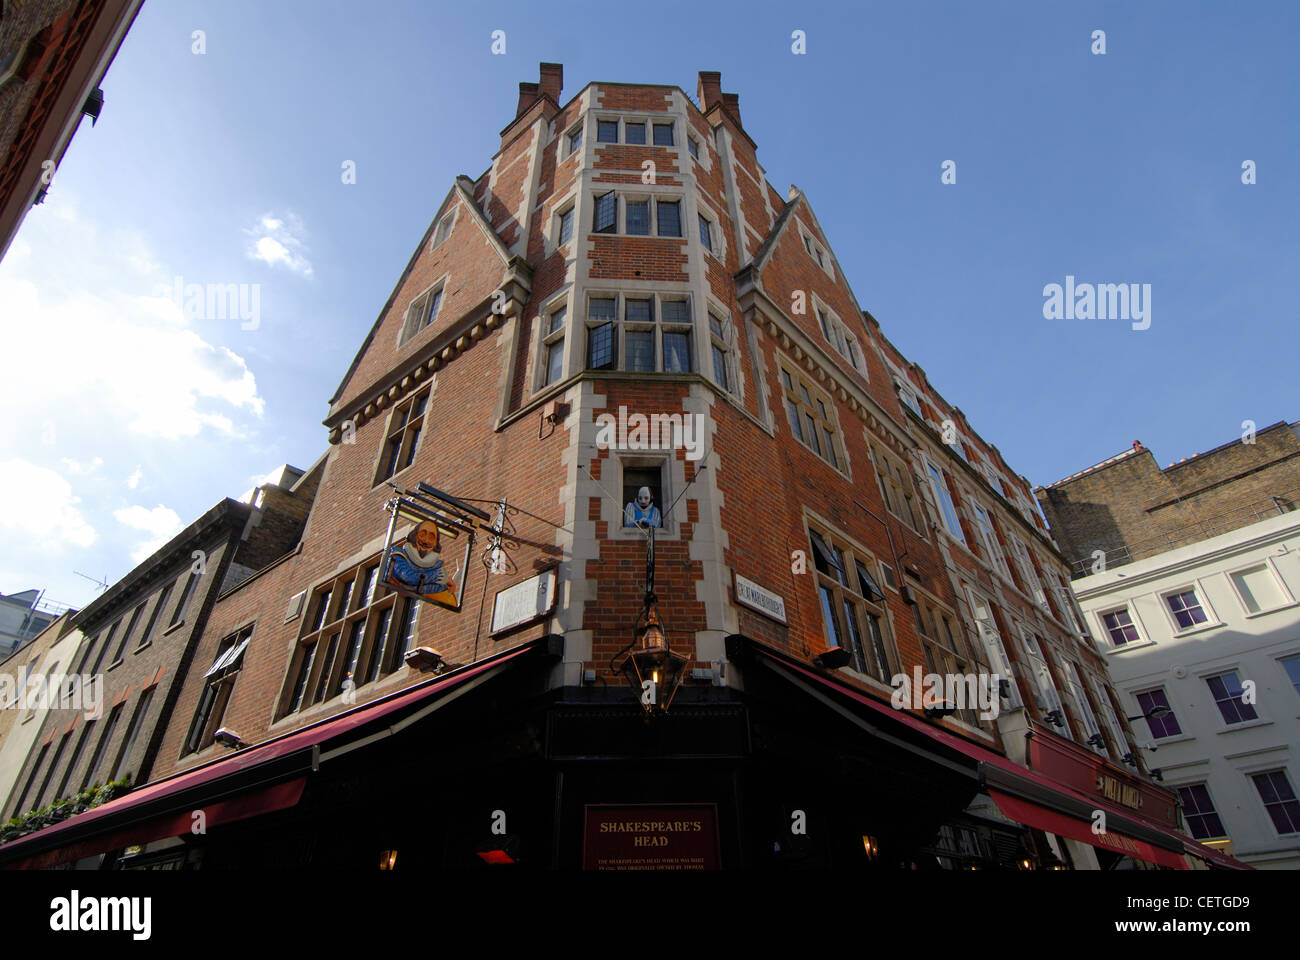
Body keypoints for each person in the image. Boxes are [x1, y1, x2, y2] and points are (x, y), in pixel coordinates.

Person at [385, 520, 458, 606]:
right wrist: (438, 577)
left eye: (431, 538)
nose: (426, 541)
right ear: (414, 536)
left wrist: (414, 587)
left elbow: (440, 592)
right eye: (422, 535)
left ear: (435, 544)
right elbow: (409, 577)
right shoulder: (397, 553)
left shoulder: (437, 566)